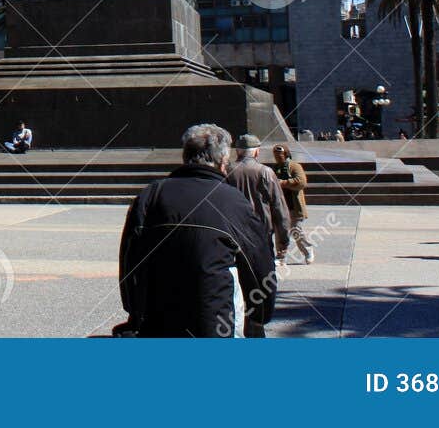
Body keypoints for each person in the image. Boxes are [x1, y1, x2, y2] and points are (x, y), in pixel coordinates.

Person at [116, 123, 278, 337]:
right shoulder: (233, 201)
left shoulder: (151, 195)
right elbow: (259, 264)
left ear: (185, 157)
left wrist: (135, 310)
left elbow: (130, 259)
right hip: (213, 322)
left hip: (157, 323)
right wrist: (259, 316)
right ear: (223, 162)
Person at [225, 134, 291, 268]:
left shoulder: (226, 171)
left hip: (232, 233)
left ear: (237, 151)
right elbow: (279, 207)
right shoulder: (266, 172)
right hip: (261, 234)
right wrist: (283, 240)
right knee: (263, 280)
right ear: (256, 151)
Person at [270, 144, 314, 264]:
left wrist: (283, 183)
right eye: (275, 155)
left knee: (296, 230)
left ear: (286, 154)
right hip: (280, 205)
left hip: (294, 205)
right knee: (280, 232)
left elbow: (301, 182)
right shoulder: (274, 169)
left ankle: (307, 249)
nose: (277, 157)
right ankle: (280, 257)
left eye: (280, 154)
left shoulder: (294, 166)